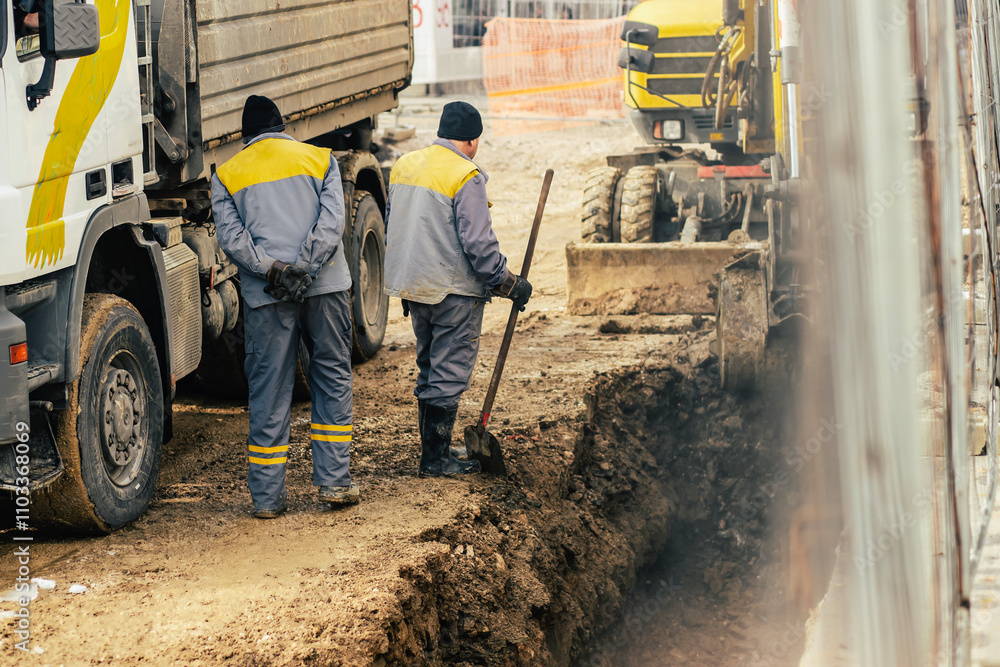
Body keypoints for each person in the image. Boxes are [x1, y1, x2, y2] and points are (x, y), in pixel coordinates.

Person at [211, 95, 359, 518]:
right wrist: (307, 267)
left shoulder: (228, 174)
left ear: (246, 136)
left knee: (270, 389)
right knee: (331, 376)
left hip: (268, 295)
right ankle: (334, 484)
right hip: (325, 286)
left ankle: (267, 500)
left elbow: (232, 240)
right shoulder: (318, 159)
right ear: (282, 126)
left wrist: (276, 270)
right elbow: (333, 222)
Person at [384, 101, 532, 477]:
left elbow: (394, 223)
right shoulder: (466, 175)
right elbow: (479, 247)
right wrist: (508, 282)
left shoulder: (405, 164)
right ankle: (435, 460)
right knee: (448, 372)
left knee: (429, 365)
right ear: (472, 139)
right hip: (453, 291)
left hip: (414, 287)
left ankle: (432, 450)